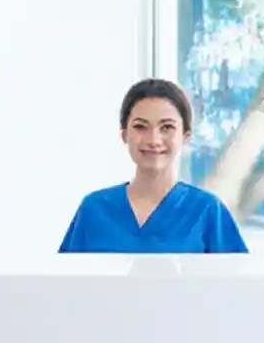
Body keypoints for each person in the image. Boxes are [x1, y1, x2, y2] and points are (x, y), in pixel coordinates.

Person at [58, 79, 248, 254]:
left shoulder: (208, 211)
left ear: (186, 136)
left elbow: (238, 278)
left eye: (167, 127)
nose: (154, 140)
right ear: (124, 135)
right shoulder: (94, 209)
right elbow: (66, 278)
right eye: (140, 127)